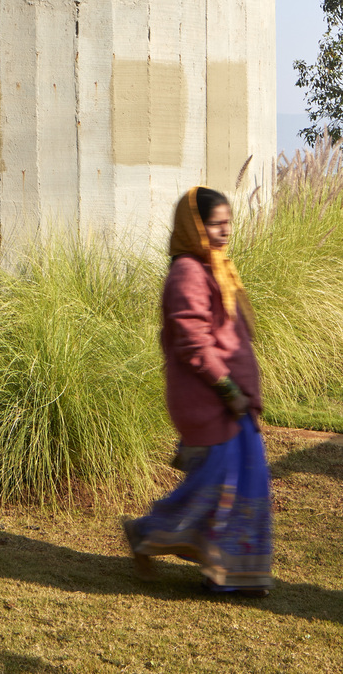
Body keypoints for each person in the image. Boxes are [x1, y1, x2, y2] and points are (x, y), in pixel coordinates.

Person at [122, 186, 273, 595]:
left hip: (230, 401)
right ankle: (148, 534)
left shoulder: (218, 267)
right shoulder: (188, 272)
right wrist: (227, 388)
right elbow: (192, 340)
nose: (225, 232)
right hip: (209, 398)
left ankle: (229, 571)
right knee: (215, 485)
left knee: (245, 479)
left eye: (228, 223)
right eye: (216, 224)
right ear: (195, 226)